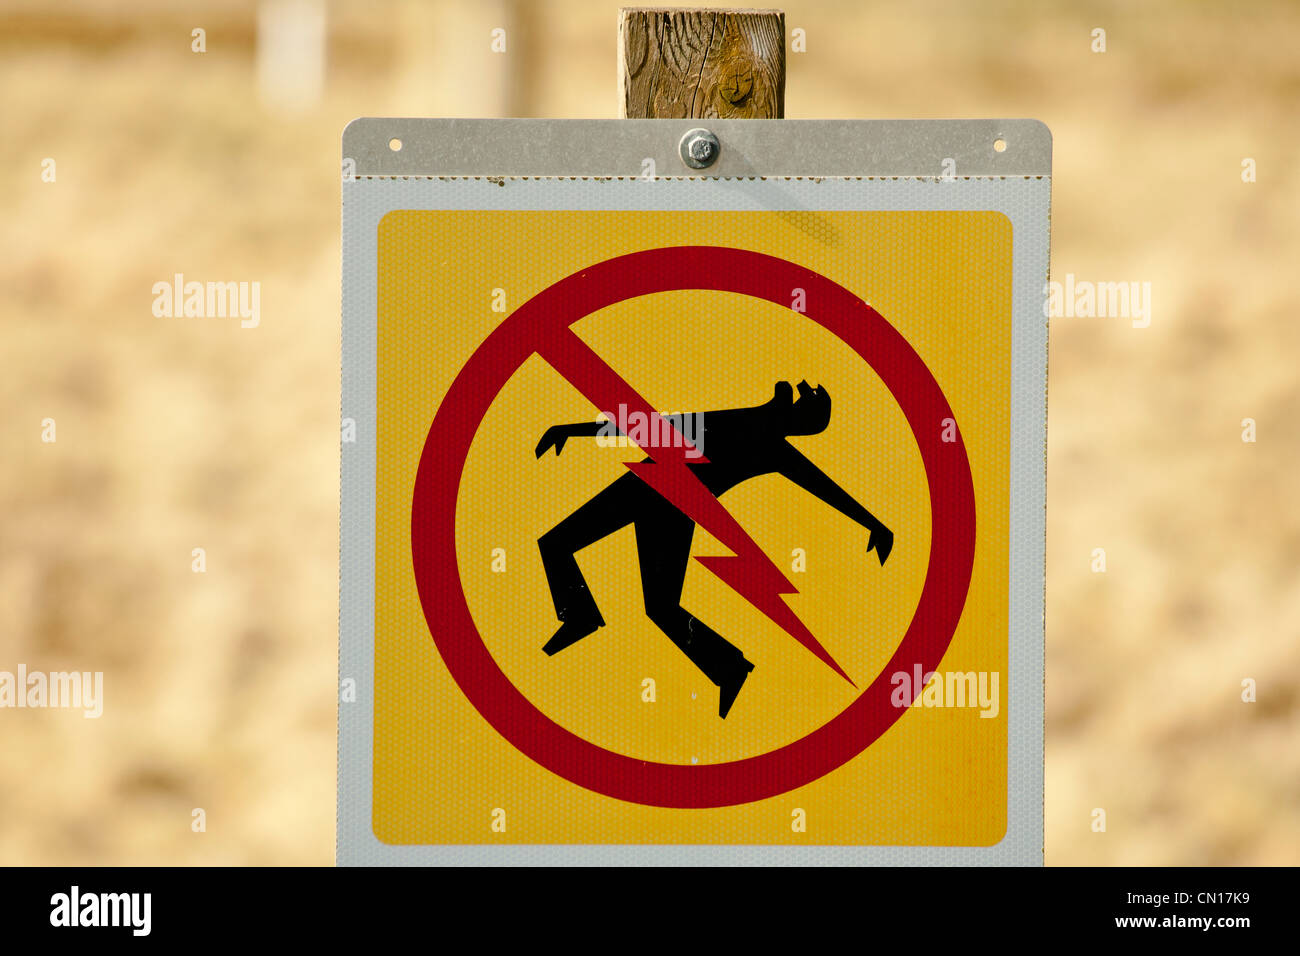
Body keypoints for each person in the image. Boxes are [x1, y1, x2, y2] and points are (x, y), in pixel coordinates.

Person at [535, 380, 893, 719]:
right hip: (657, 494)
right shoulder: (756, 429)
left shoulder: (767, 440)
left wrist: (873, 523)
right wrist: (572, 429)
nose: (797, 429)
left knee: (636, 592)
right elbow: (651, 426)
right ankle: (724, 666)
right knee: (644, 597)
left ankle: (728, 668)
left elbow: (819, 484)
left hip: (662, 501)